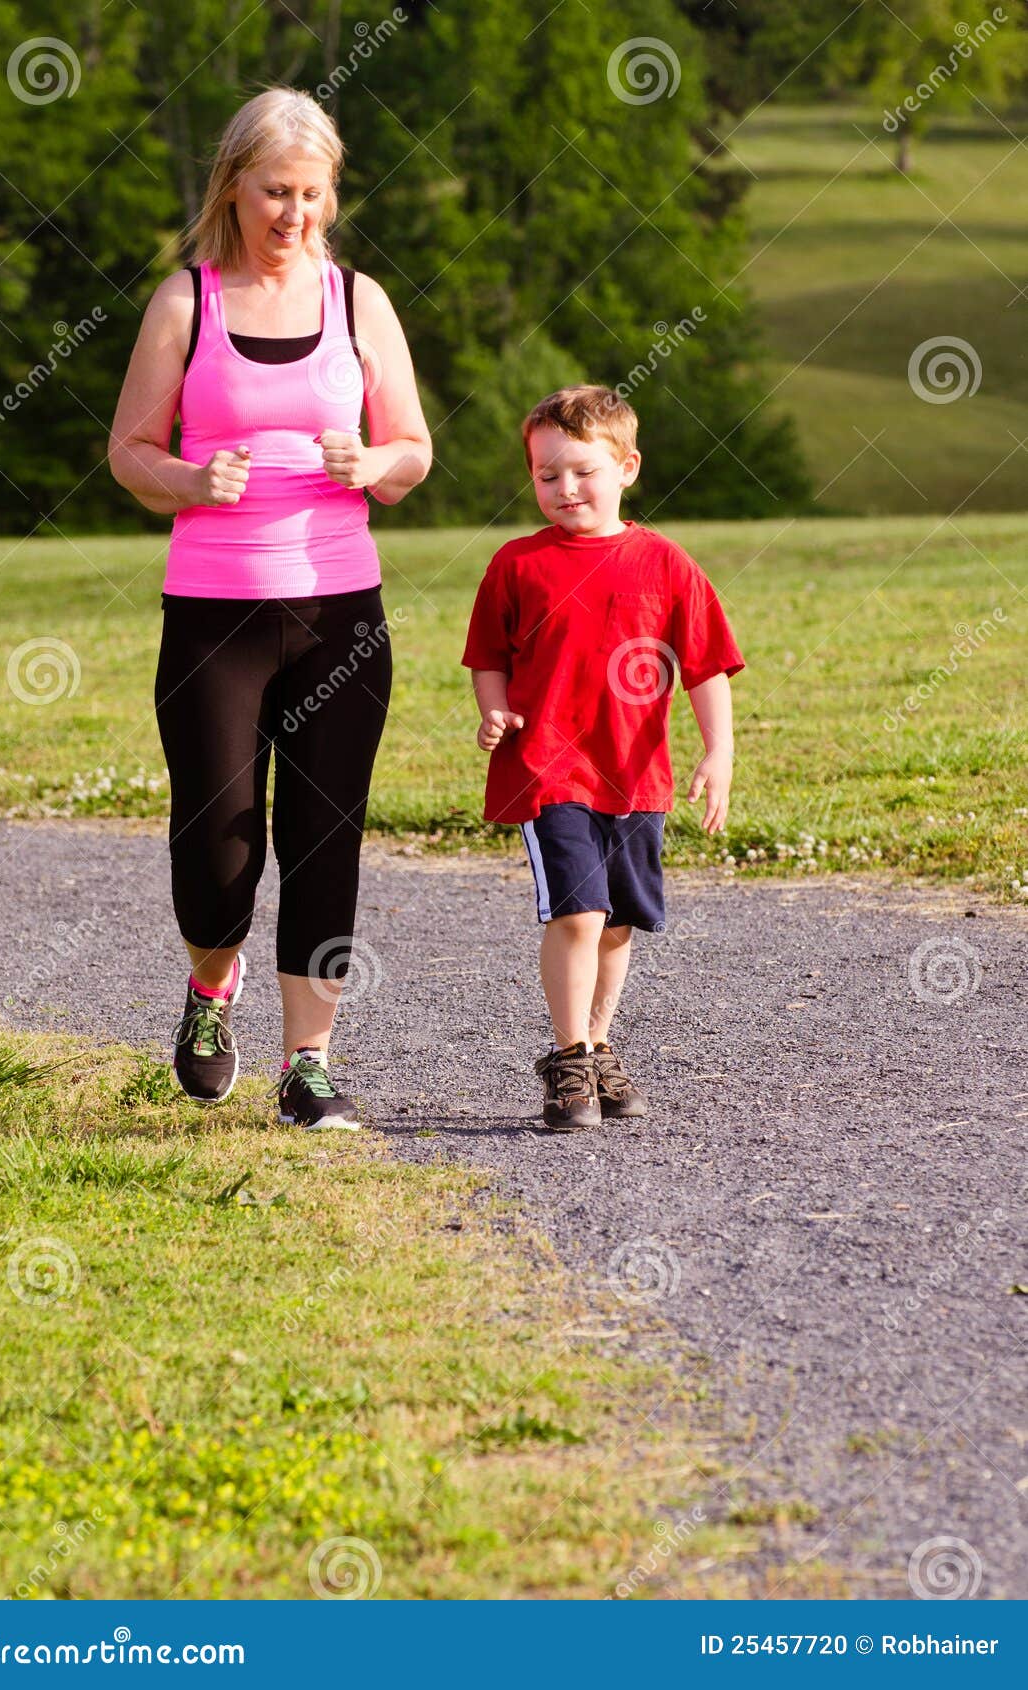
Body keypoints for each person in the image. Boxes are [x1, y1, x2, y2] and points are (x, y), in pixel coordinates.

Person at [108, 87, 431, 1126]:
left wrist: (374, 462)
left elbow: (413, 451)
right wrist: (189, 481)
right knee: (219, 847)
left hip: (340, 616)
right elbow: (128, 452)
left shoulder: (358, 302)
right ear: (232, 190)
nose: (294, 213)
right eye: (273, 191)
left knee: (324, 839)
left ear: (330, 194)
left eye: (311, 192)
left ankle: (307, 1064)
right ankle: (211, 988)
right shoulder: (186, 304)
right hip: (216, 615)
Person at [462, 385, 744, 1131]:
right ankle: (568, 1060)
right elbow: (487, 657)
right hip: (549, 769)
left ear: (627, 468)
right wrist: (494, 709)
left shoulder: (666, 563)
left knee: (617, 922)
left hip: (634, 775)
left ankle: (597, 1043)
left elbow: (705, 666)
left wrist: (718, 749)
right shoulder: (517, 564)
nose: (565, 488)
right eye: (546, 474)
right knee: (579, 913)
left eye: (583, 471)